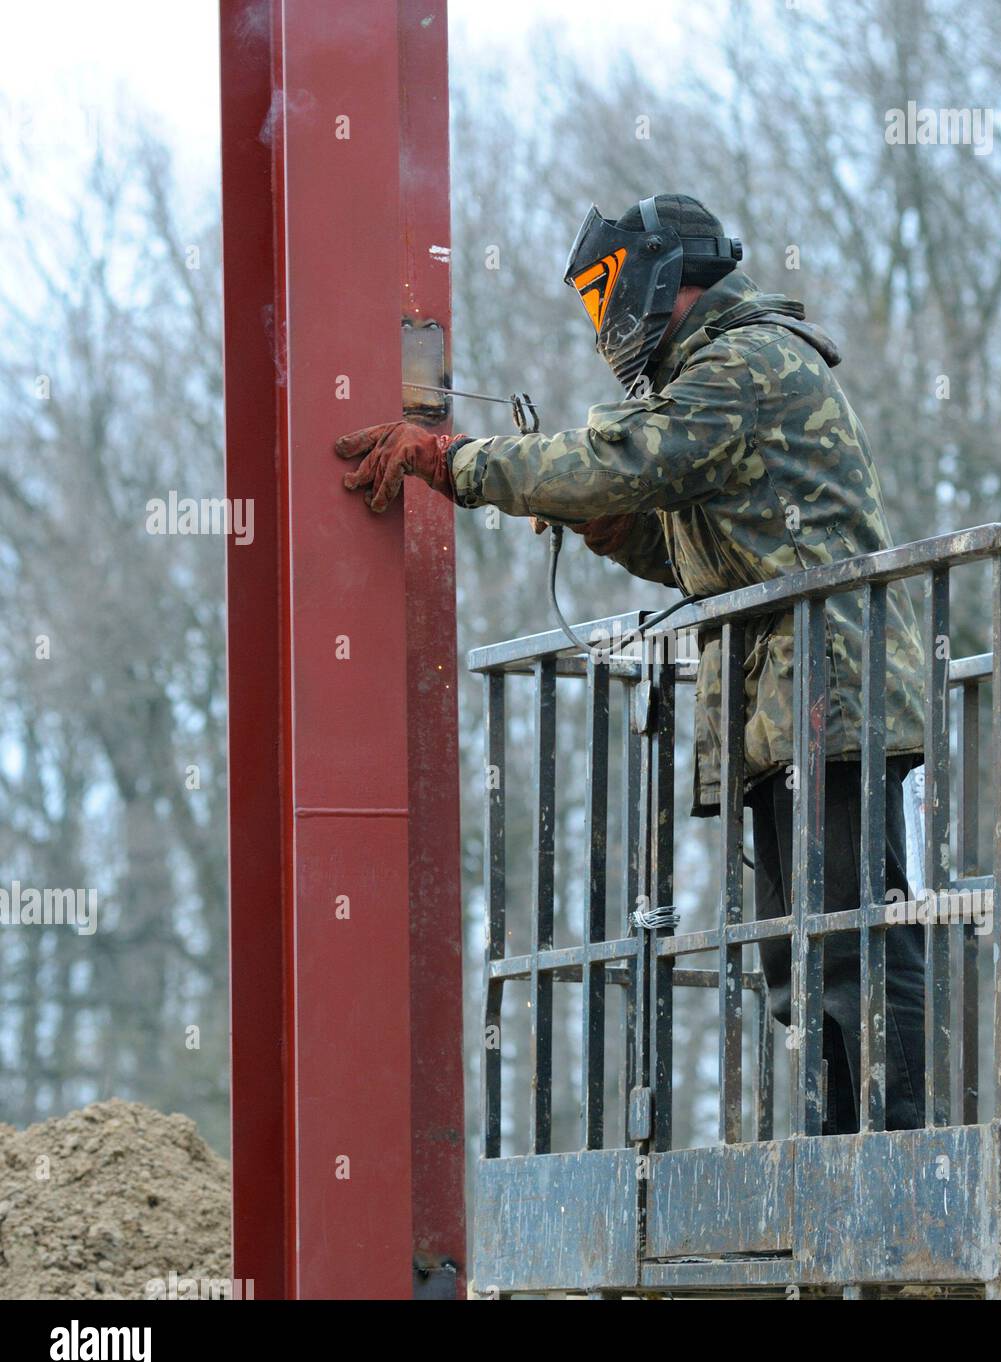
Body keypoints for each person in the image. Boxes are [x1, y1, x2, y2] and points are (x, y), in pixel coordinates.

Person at [334, 193, 927, 1133]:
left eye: (604, 294)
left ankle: (900, 1175)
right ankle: (838, 1171)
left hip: (834, 692)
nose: (603, 323)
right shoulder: (712, 384)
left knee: (856, 954)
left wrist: (460, 462)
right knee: (799, 961)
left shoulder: (744, 363)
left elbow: (630, 457)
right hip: (789, 703)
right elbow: (695, 535)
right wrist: (607, 524)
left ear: (658, 277)